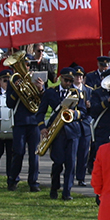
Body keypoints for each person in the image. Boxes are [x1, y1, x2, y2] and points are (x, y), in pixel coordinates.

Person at [38, 68, 84, 200]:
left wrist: (74, 114)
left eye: (71, 80)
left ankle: (67, 192)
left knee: (70, 164)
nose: (69, 83)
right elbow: (41, 112)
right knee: (58, 162)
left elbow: (83, 112)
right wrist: (42, 127)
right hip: (56, 132)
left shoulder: (76, 93)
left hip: (72, 131)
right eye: (66, 80)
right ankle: (54, 188)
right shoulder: (51, 93)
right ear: (60, 78)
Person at [6, 62, 45, 192]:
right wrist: (17, 91)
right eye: (24, 65)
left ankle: (33, 182)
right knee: (18, 152)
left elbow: (44, 101)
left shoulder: (37, 80)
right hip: (20, 122)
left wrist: (40, 89)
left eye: (27, 65)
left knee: (34, 154)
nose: (26, 67)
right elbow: (9, 103)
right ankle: (13, 180)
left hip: (34, 122)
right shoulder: (13, 82)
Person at [72, 67, 94, 187]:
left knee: (84, 152)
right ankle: (70, 174)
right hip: (73, 124)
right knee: (71, 152)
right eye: (76, 76)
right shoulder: (69, 89)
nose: (78, 78)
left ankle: (80, 177)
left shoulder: (88, 90)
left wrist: (89, 106)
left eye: (80, 76)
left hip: (85, 124)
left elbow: (93, 109)